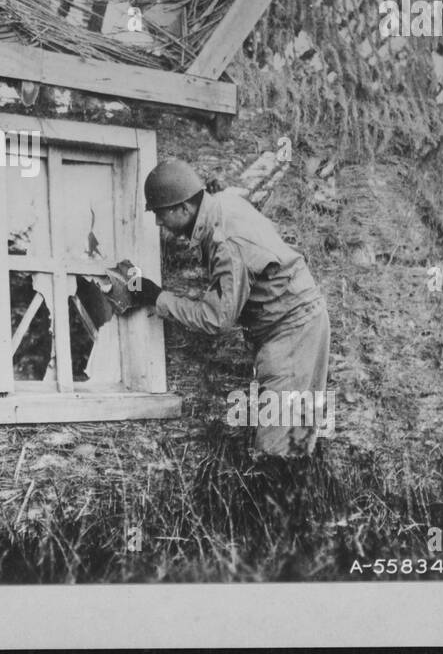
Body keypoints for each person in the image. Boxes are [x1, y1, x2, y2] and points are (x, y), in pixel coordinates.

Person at [121, 158, 331, 457]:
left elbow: (216, 320)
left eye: (160, 213)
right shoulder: (224, 205)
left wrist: (157, 298)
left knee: (275, 447)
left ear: (184, 208)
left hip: (292, 331)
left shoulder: (226, 244)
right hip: (301, 322)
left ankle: (279, 497)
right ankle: (295, 496)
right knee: (294, 437)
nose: (158, 223)